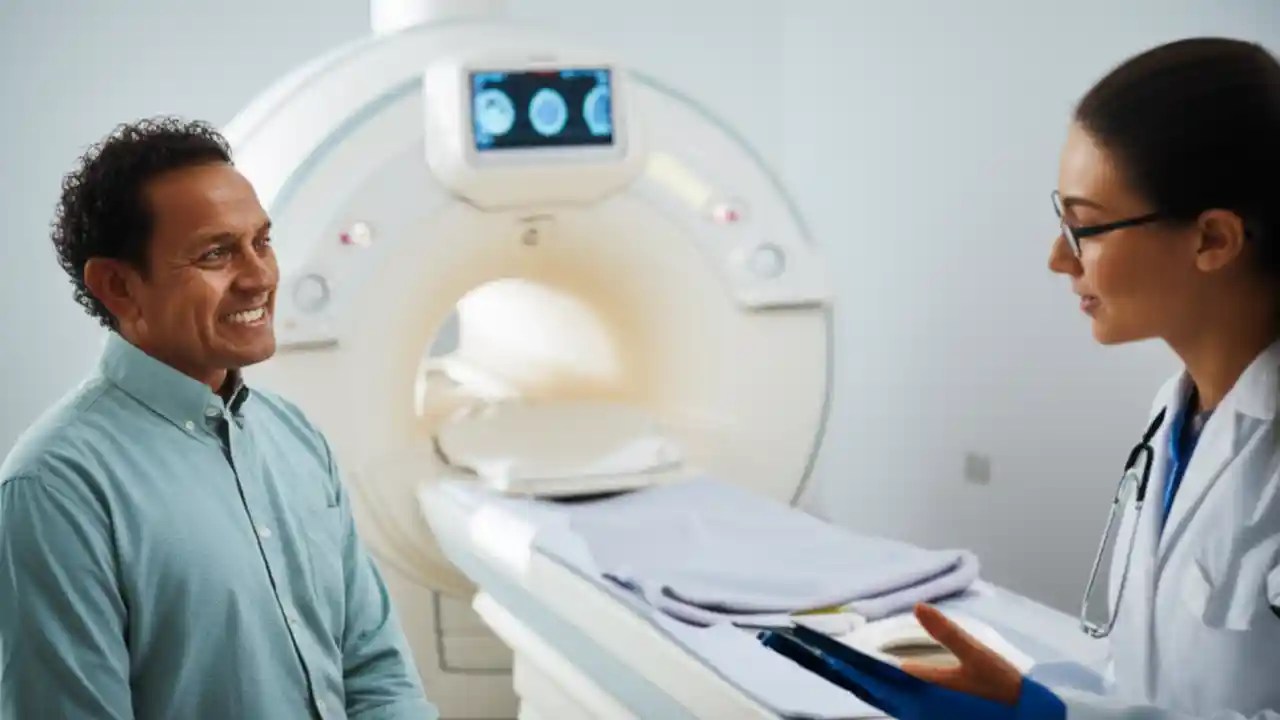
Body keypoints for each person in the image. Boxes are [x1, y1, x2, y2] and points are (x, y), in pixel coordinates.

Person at [831, 36, 1280, 720]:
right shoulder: (1176, 417)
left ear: (1213, 239)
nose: (1057, 259)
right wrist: (1028, 697)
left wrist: (1044, 713)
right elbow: (1147, 688)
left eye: (1085, 228)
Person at [0, 118, 439, 720]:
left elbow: (376, 672)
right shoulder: (56, 488)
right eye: (216, 253)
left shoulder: (296, 439)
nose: (259, 276)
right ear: (119, 286)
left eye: (262, 241)